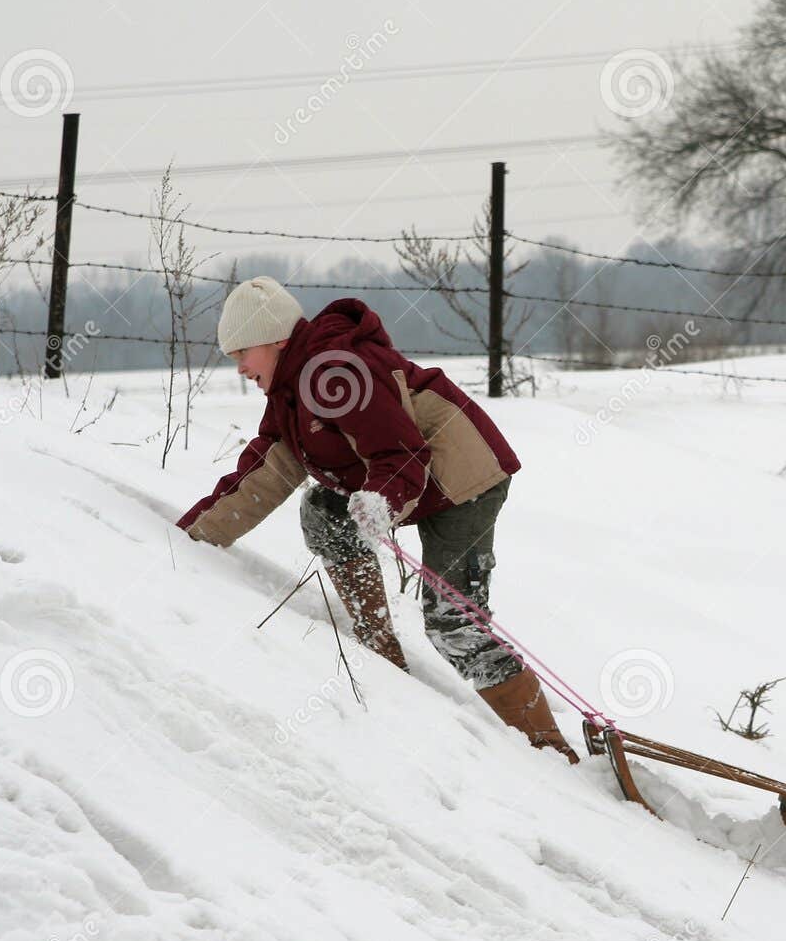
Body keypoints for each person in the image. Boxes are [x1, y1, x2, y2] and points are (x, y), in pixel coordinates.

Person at [176, 276, 577, 763]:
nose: (238, 366)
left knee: (453, 621)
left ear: (278, 338)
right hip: (417, 486)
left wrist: (381, 501)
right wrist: (191, 538)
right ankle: (378, 646)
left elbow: (403, 454)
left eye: (243, 351)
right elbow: (265, 472)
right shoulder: (288, 392)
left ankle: (549, 748)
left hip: (462, 481)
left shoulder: (333, 371)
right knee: (324, 512)